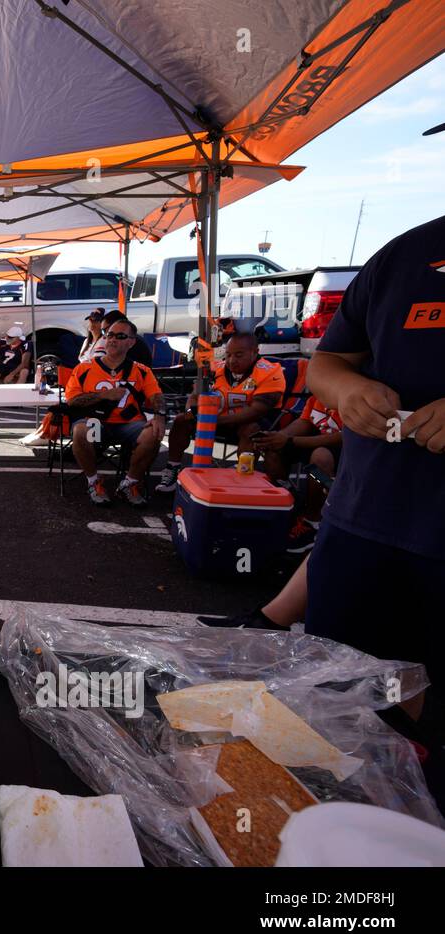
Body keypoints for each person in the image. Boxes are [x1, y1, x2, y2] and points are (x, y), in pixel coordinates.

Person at [303, 210, 445, 731]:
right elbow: (327, 362)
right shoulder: (405, 254)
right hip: (362, 521)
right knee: (339, 699)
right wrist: (348, 390)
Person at [155, 331, 284, 493]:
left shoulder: (271, 372)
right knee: (182, 420)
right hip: (217, 420)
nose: (231, 360)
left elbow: (256, 411)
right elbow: (195, 396)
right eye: (228, 354)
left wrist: (210, 420)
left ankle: (242, 479)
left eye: (238, 355)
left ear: (255, 352)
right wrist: (191, 410)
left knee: (251, 429)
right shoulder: (217, 369)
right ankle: (172, 468)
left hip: (249, 424)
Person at [63, 317, 165, 506]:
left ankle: (130, 483)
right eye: (109, 334)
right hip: (95, 423)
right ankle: (93, 482)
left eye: (120, 336)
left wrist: (160, 416)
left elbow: (156, 396)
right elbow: (72, 402)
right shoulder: (84, 368)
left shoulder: (141, 371)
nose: (112, 339)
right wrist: (103, 396)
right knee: (80, 431)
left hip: (129, 424)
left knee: (154, 433)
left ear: (131, 342)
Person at [252, 392, 342, 552]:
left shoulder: (352, 397)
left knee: (319, 460)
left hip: (344, 454)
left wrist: (290, 441)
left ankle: (313, 520)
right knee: (273, 451)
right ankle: (288, 505)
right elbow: (304, 422)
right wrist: (278, 437)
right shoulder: (317, 396)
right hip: (313, 443)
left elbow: (342, 438)